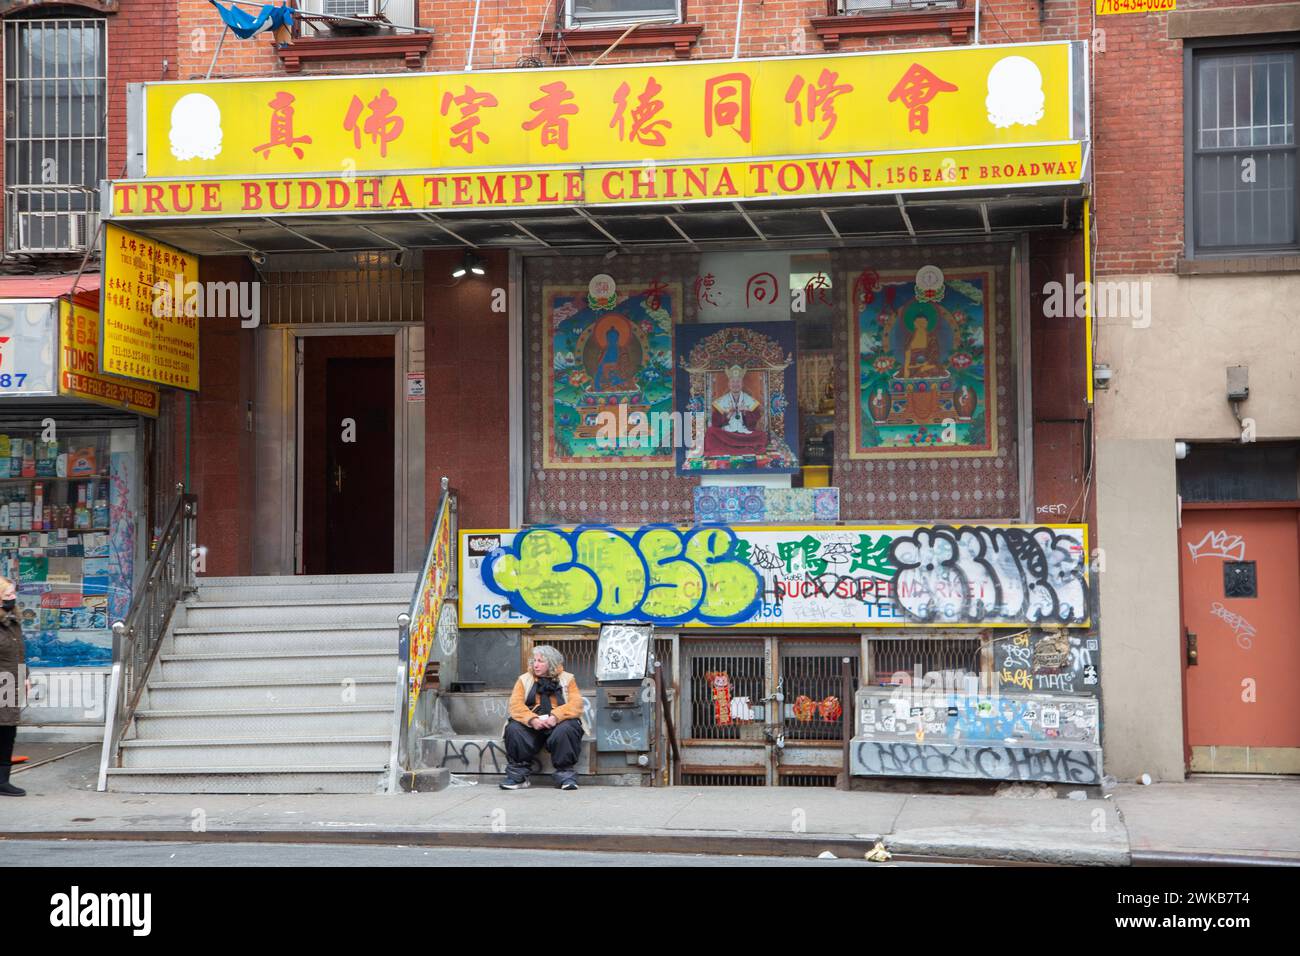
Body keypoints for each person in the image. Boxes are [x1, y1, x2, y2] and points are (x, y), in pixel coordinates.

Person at [501, 644, 587, 791]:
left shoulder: (567, 679)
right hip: (532, 724)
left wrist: (556, 716)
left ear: (551, 663)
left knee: (568, 728)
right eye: (534, 661)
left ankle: (566, 777)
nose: (536, 665)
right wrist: (532, 719)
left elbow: (576, 704)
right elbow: (515, 705)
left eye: (540, 661)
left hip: (558, 722)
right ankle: (518, 777)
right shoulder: (524, 679)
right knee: (514, 729)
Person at [703, 364, 767, 457]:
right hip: (727, 434)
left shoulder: (750, 400)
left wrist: (745, 413)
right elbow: (715, 423)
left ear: (742, 384)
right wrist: (728, 415)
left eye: (738, 382)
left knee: (762, 435)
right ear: (729, 384)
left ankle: (731, 448)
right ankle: (741, 449)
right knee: (711, 431)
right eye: (733, 382)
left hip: (744, 434)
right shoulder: (722, 401)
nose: (735, 384)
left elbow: (754, 422)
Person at [0, 576, 26, 797]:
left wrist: (24, 677)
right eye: (7, 594)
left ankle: (3, 781)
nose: (13, 597)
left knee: (8, 731)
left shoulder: (13, 622)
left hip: (9, 686)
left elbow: (19, 654)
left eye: (13, 593)